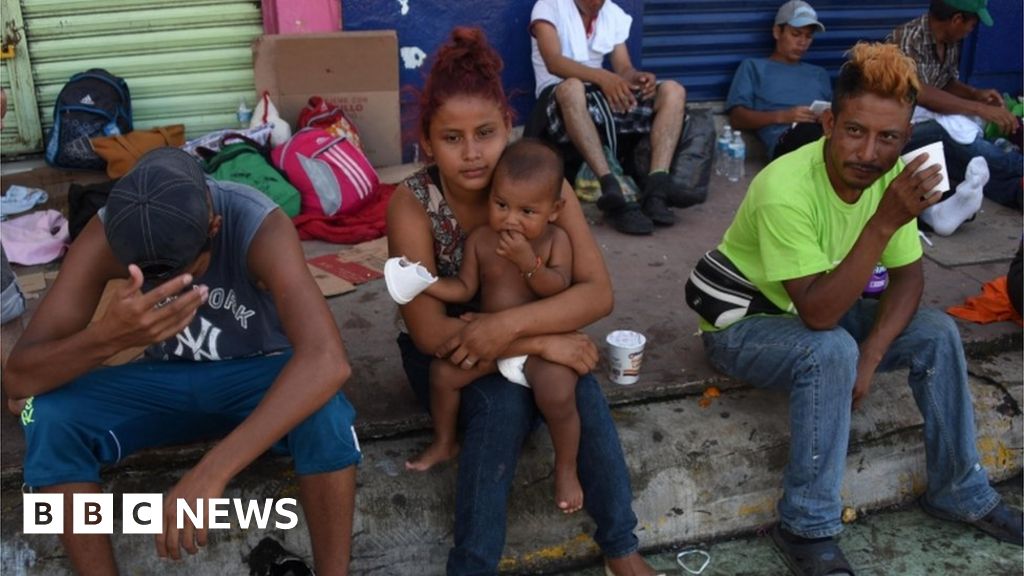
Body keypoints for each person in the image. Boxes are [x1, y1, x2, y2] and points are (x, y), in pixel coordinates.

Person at [692, 43, 1022, 575]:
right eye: (855, 131)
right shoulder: (784, 188)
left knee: (937, 331)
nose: (868, 153)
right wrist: (882, 223)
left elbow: (911, 278)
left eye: (887, 138)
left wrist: (871, 355)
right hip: (744, 324)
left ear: (905, 139)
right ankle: (806, 526)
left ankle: (959, 490)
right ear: (829, 124)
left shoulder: (893, 176)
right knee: (829, 348)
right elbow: (819, 318)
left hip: (823, 311)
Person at [2, 148, 360, 575]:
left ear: (214, 227)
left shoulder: (257, 223)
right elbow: (20, 378)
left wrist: (212, 471)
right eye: (148, 278)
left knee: (324, 407)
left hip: (258, 377)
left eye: (186, 271)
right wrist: (107, 338)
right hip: (162, 381)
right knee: (43, 415)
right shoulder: (103, 235)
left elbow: (328, 360)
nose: (169, 288)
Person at [388, 27, 663, 576]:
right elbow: (428, 332)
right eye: (452, 138)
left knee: (577, 383)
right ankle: (471, 567)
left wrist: (513, 330)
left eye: (486, 133)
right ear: (426, 140)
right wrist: (541, 338)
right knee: (503, 404)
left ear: (507, 127)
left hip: (510, 345)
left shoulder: (537, 183)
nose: (472, 154)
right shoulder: (412, 205)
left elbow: (596, 291)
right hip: (450, 359)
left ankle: (622, 551)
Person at [406, 138, 586, 515]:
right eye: (501, 205)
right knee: (442, 375)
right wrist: (427, 283)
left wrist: (528, 263)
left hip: (538, 346)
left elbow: (559, 287)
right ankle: (444, 441)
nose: (510, 219)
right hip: (494, 347)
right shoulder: (481, 240)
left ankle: (566, 468)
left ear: (554, 211)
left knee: (558, 395)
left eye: (527, 211)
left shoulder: (557, 241)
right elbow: (466, 287)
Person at [529, 0, 688, 236]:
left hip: (598, 95)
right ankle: (610, 184)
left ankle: (657, 186)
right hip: (557, 97)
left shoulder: (612, 13)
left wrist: (639, 78)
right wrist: (603, 78)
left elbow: (623, 68)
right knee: (573, 88)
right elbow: (554, 62)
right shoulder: (548, 7)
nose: (598, 3)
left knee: (673, 91)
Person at [887, 0, 1023, 209]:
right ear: (957, 19)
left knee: (971, 169)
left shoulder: (949, 41)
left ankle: (1016, 192)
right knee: (949, 134)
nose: (971, 31)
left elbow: (945, 82)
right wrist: (979, 108)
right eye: (972, 25)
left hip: (926, 121)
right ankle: (1018, 166)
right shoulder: (907, 38)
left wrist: (976, 95)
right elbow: (919, 92)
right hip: (899, 129)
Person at [725, 0, 832, 160]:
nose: (802, 42)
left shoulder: (819, 73)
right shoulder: (753, 67)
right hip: (787, 143)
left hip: (825, 138)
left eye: (808, 36)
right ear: (777, 32)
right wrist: (784, 116)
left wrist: (826, 117)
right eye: (795, 34)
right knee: (808, 134)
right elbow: (737, 118)